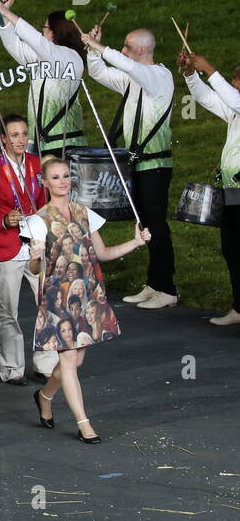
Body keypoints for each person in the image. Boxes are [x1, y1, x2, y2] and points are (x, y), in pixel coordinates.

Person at [24, 156, 150, 443]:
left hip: (87, 293)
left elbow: (102, 253)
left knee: (76, 360)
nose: (62, 181)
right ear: (44, 182)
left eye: (66, 175)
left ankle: (45, 396)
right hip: (57, 297)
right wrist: (35, 257)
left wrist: (135, 243)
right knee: (68, 358)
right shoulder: (37, 220)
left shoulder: (84, 213)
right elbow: (34, 268)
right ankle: (84, 424)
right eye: (55, 177)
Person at [83, 24, 176, 309]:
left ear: (143, 50)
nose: (122, 50)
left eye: (127, 46)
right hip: (140, 163)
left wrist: (101, 48)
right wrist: (93, 52)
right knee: (145, 223)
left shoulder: (158, 76)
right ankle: (154, 283)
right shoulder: (136, 78)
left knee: (157, 225)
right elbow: (99, 73)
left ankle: (167, 289)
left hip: (156, 165)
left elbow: (126, 65)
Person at [0, 112, 55, 384]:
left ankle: (46, 365)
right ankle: (12, 368)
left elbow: (47, 200)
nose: (21, 140)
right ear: (3, 140)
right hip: (5, 247)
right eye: (15, 135)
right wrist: (3, 219)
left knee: (47, 305)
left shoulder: (37, 164)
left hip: (36, 247)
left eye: (24, 133)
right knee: (9, 312)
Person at [178, 53, 240, 326]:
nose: (234, 82)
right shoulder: (235, 109)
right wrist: (191, 74)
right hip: (232, 191)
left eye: (237, 78)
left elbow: (232, 97)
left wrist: (209, 68)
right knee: (232, 251)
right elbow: (206, 98)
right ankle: (238, 307)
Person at [0, 0, 87, 154]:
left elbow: (37, 42)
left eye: (45, 28)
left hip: (68, 145)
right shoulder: (41, 57)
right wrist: (4, 15)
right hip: (40, 145)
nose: (42, 31)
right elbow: (14, 45)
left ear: (55, 33)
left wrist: (7, 13)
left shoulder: (71, 57)